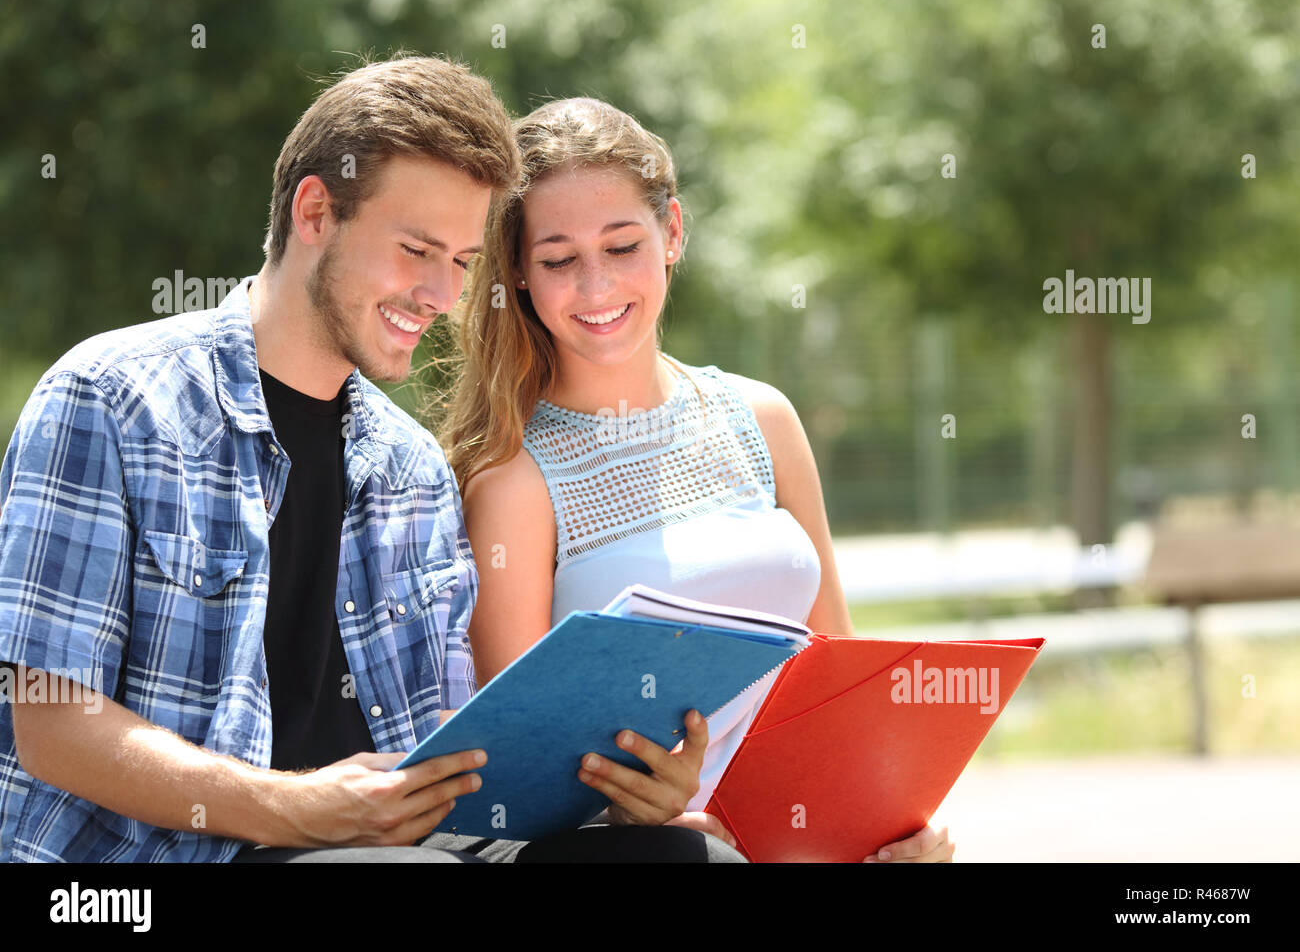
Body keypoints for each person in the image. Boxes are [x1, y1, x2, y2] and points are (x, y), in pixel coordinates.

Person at [0, 57, 738, 863]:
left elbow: (457, 764)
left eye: (460, 262)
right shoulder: (110, 399)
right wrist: (297, 808)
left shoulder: (411, 467)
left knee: (684, 857)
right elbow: (52, 725)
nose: (440, 293)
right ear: (316, 210)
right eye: (417, 249)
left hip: (399, 847)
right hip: (143, 872)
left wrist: (623, 803)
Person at [441, 97, 955, 862]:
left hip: (799, 839)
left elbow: (840, 673)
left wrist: (890, 825)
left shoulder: (764, 417)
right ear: (516, 270)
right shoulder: (512, 480)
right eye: (557, 259)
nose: (596, 287)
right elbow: (522, 776)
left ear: (673, 231)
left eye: (622, 246)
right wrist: (639, 820)